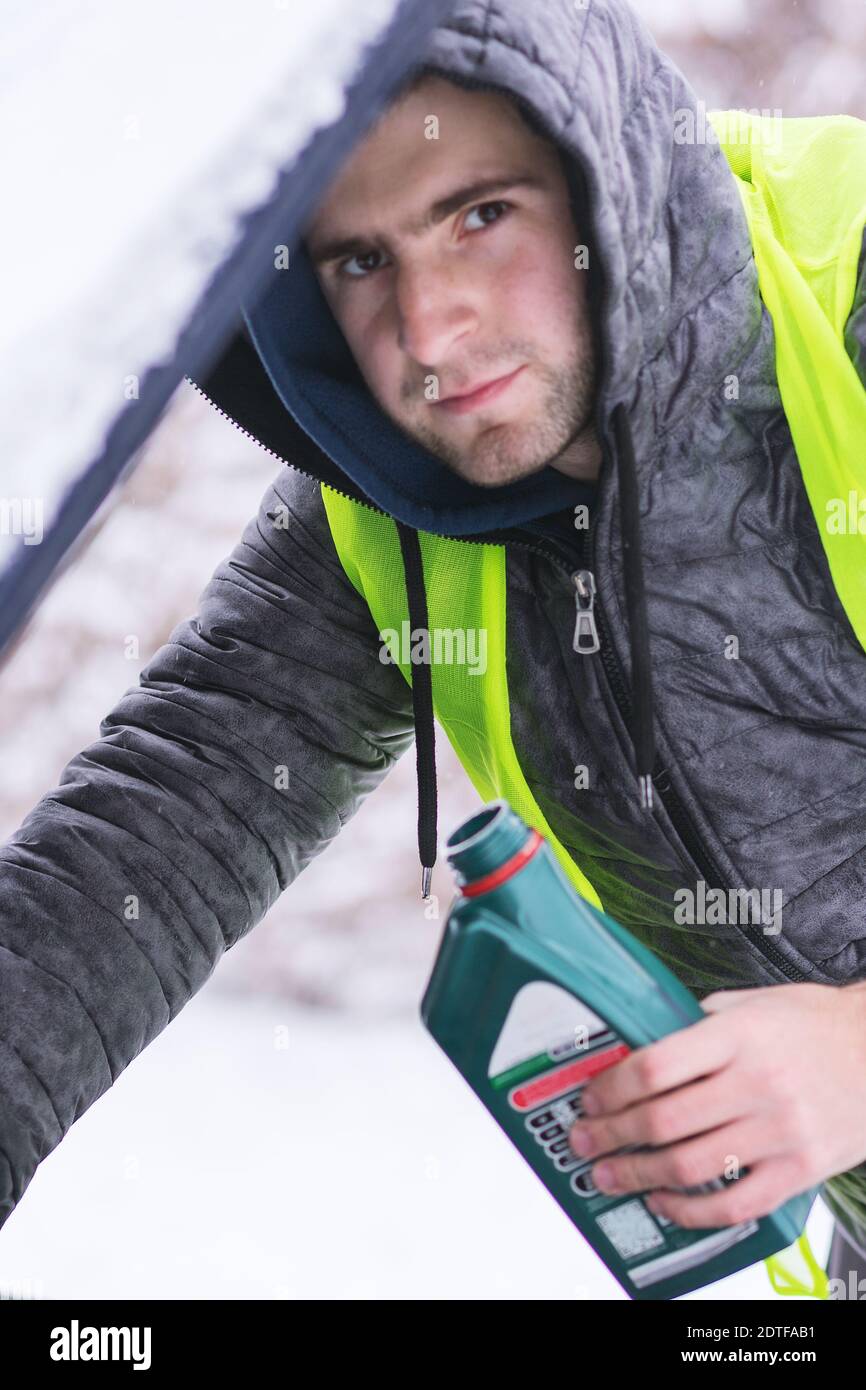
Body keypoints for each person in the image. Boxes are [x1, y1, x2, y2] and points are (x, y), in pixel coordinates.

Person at [2, 0, 865, 1296]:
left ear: (595, 171)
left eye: (479, 216)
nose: (431, 329)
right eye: (357, 261)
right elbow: (146, 848)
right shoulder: (385, 511)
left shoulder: (841, 280)